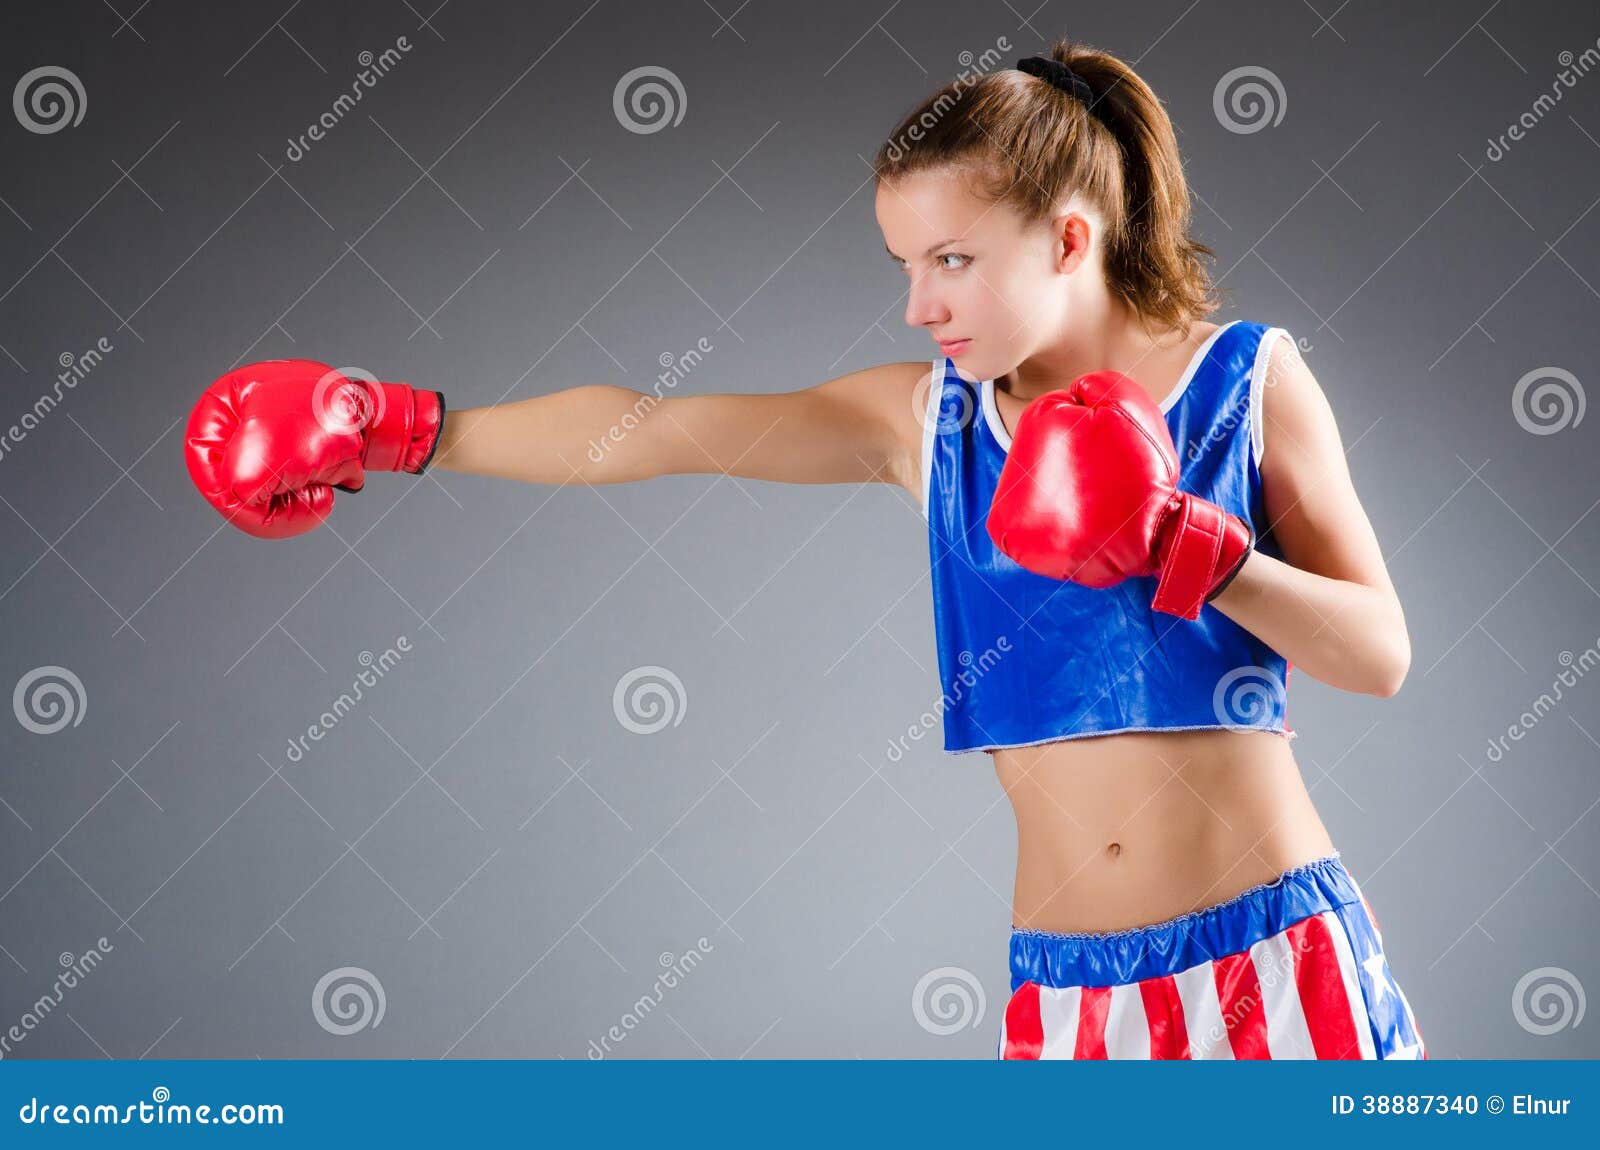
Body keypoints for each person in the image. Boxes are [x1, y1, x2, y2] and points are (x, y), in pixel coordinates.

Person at [184, 37, 1425, 1059]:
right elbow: (654, 430)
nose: (919, 304)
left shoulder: (1244, 381)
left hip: (1269, 962)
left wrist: (1184, 546)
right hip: (1066, 995)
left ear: (1066, 236)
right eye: (904, 264)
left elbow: (1379, 656)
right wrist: (403, 430)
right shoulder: (927, 423)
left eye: (952, 260)